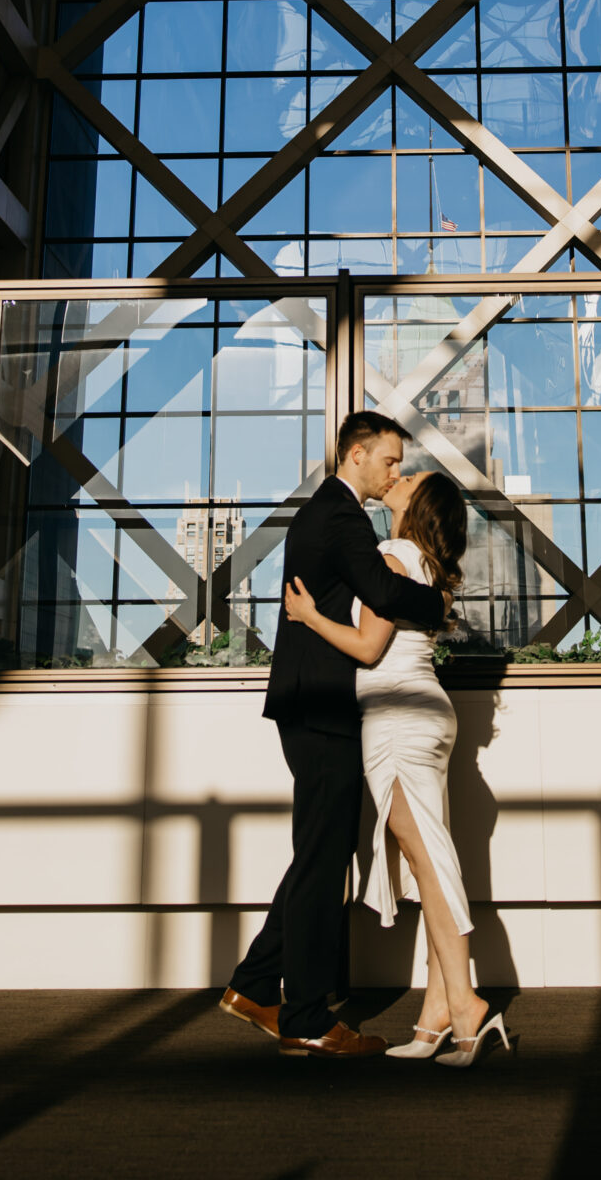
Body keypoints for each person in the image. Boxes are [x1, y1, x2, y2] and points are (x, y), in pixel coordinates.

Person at [220, 411, 446, 1060]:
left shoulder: (325, 512)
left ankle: (255, 984)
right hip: (322, 708)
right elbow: (379, 587)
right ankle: (307, 1018)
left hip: (310, 705)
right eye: (388, 460)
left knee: (318, 853)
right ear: (354, 455)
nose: (394, 471)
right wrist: (439, 603)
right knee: (324, 862)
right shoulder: (341, 516)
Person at [283, 469, 513, 1070]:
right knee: (429, 856)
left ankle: (466, 1005)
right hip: (422, 712)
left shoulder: (394, 553)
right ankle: (437, 1010)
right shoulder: (427, 562)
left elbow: (366, 648)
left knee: (428, 862)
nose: (397, 476)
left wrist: (308, 618)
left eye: (408, 477)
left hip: (398, 717)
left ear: (418, 504)